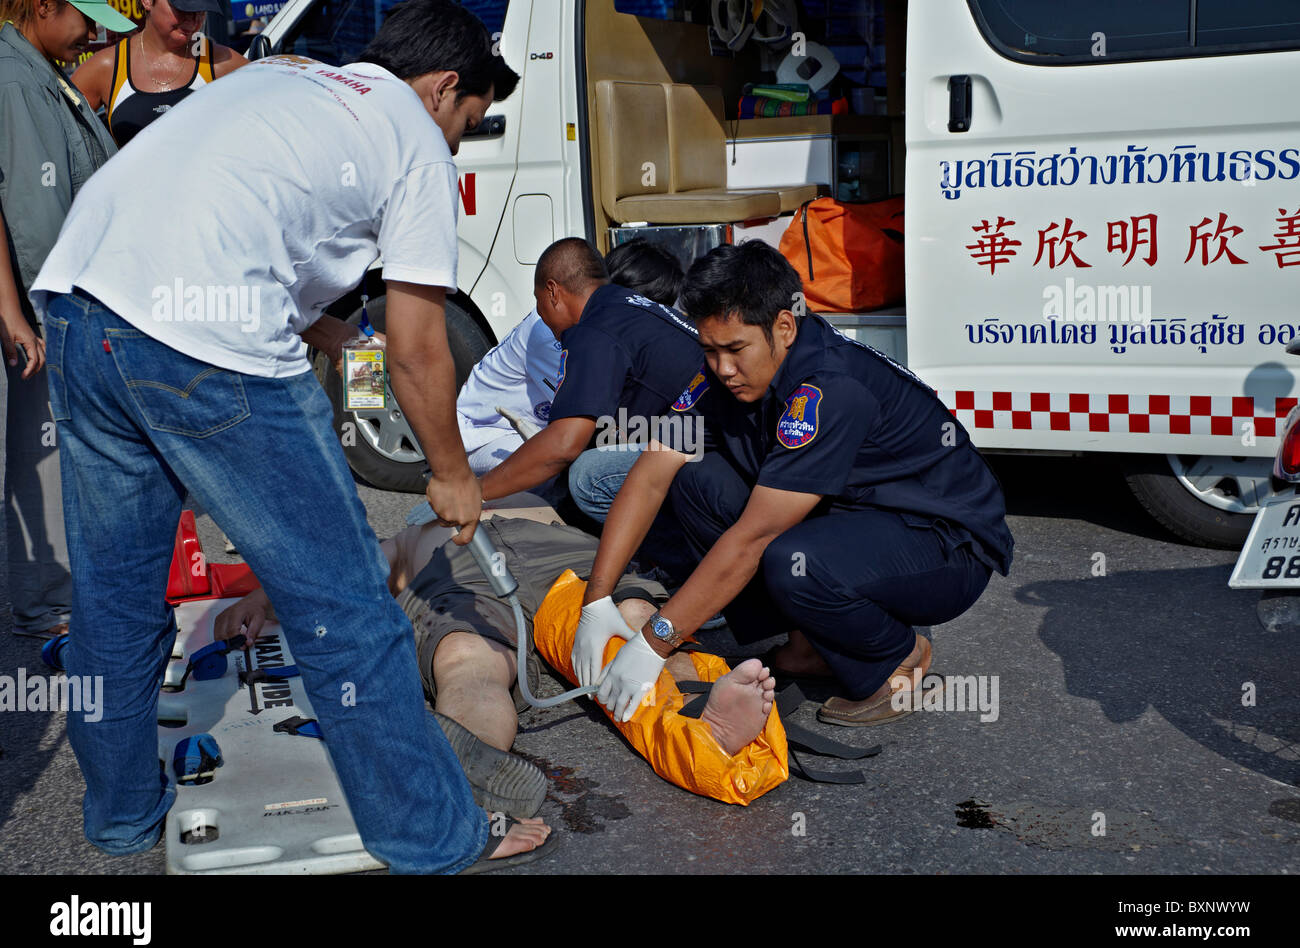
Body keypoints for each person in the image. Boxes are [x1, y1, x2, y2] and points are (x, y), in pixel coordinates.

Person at [29, 0, 534, 873]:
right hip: (200, 347)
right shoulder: (412, 140)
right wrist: (451, 473)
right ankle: (435, 837)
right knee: (344, 604)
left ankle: (118, 818)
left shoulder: (281, 75)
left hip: (82, 304)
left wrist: (322, 329)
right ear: (446, 86)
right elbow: (419, 349)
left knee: (113, 600)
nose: (458, 140)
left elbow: (230, 208)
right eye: (470, 121)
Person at [574, 241, 1014, 727]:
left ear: (784, 327)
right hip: (859, 514)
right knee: (695, 481)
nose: (722, 368)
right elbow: (652, 473)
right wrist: (597, 597)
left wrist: (655, 641)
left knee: (789, 559)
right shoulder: (722, 374)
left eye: (736, 350)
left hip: (944, 542)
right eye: (710, 349)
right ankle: (812, 644)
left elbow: (754, 539)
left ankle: (896, 659)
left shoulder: (827, 387)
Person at [215, 503, 787, 806]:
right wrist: (262, 598)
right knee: (467, 660)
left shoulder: (523, 500)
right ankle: (469, 767)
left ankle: (704, 719)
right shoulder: (415, 535)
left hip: (572, 571)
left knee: (635, 629)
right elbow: (346, 570)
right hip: (466, 589)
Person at [0, 0, 133, 641]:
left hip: (44, 298)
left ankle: (54, 594)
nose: (95, 32)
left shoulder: (40, 69)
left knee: (44, 449)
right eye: (85, 17)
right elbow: (33, 209)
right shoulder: (17, 79)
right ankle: (49, 603)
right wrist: (47, 315)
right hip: (41, 304)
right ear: (43, 7)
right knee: (38, 450)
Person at [475, 237, 704, 505]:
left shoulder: (591, 329)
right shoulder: (622, 303)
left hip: (707, 453)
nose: (540, 314)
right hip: (717, 440)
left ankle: (658, 545)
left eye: (539, 302)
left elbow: (563, 446)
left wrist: (475, 492)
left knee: (588, 474)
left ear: (553, 292)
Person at [71, 0, 247, 148]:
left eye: (201, 10)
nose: (193, 19)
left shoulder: (222, 63)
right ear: (147, 1)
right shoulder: (106, 68)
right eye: (183, 8)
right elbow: (60, 137)